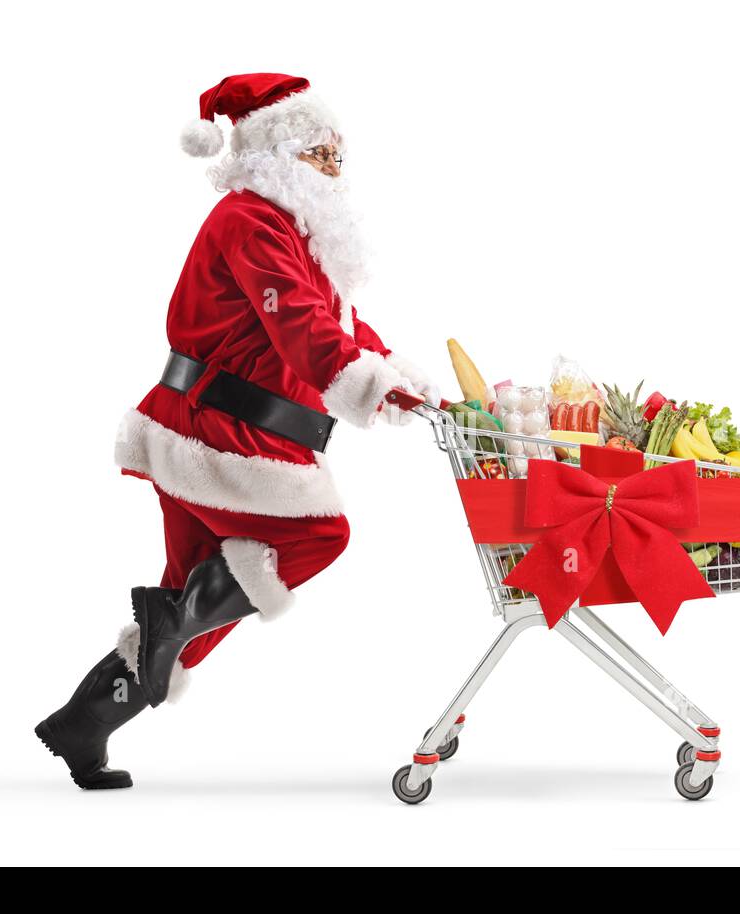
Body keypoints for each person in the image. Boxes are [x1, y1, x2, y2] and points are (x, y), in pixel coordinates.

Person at [35, 73, 438, 789]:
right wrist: (366, 387)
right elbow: (302, 330)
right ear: (278, 153)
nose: (336, 170)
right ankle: (166, 623)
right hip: (221, 435)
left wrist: (396, 380)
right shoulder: (251, 221)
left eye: (339, 155)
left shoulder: (294, 233)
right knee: (318, 535)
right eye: (323, 153)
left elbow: (340, 327)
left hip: (229, 434)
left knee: (191, 603)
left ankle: (84, 725)